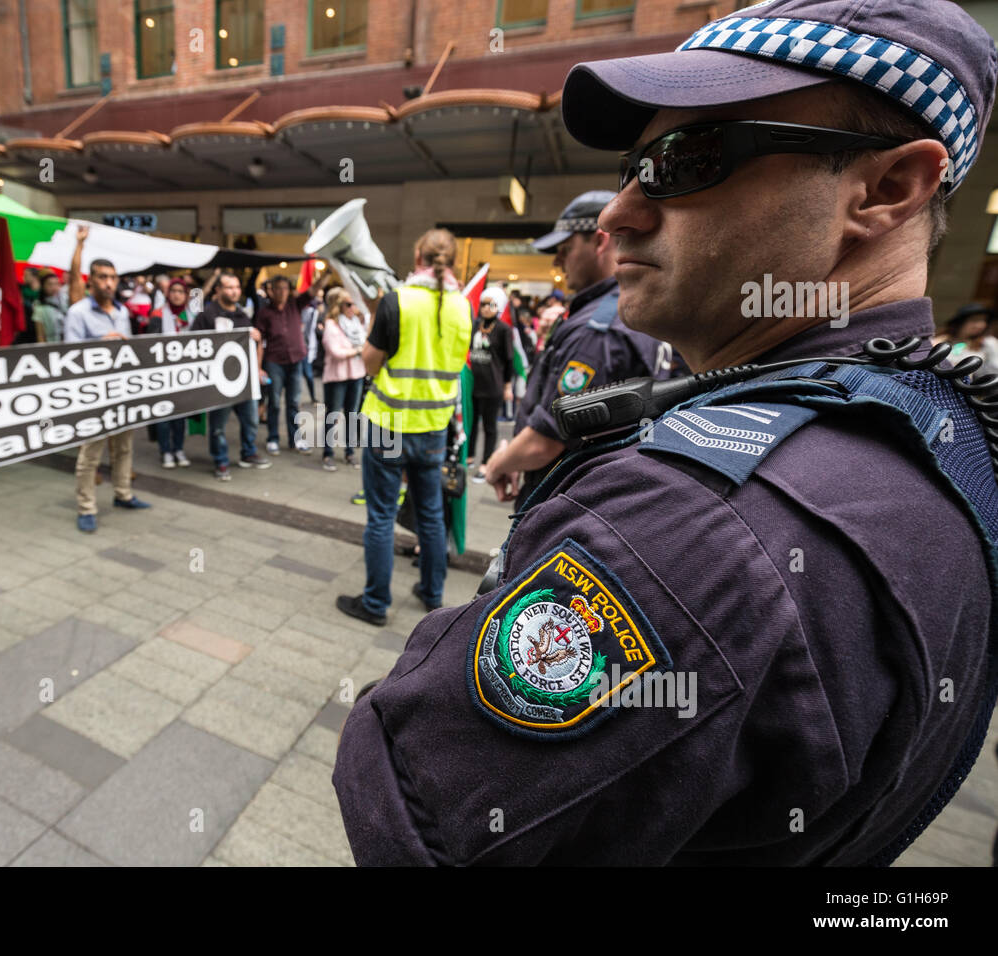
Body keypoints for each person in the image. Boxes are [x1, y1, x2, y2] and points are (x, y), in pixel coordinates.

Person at [333, 0, 998, 866]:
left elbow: (409, 805)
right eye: (633, 166)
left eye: (687, 161)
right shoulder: (938, 424)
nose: (618, 217)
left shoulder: (691, 526)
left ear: (885, 189)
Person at [484, 189, 677, 511]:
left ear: (600, 241)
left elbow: (544, 441)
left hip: (563, 501)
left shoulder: (598, 330)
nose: (557, 260)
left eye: (565, 248)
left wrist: (498, 464)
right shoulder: (638, 311)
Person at [336, 228, 472, 626]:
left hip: (388, 423)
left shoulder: (397, 301)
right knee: (430, 515)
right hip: (433, 425)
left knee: (380, 516)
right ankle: (432, 593)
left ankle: (376, 604)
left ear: (417, 256)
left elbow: (370, 363)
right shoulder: (462, 307)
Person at [64, 236, 150, 532]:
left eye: (113, 278)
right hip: (93, 394)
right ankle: (86, 507)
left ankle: (123, 494)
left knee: (124, 447)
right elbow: (69, 355)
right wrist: (101, 343)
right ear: (92, 281)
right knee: (91, 454)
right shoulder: (78, 312)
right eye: (103, 277)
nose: (109, 283)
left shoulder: (122, 312)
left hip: (121, 389)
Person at [190, 271, 270, 480]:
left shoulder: (242, 314)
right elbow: (192, 344)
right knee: (218, 426)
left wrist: (257, 341)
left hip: (244, 380)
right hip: (219, 383)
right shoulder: (206, 315)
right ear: (218, 290)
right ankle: (221, 461)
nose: (234, 291)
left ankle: (248, 452)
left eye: (237, 287)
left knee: (251, 419)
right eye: (229, 287)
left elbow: (255, 345)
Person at [254, 270, 334, 455]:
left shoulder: (295, 304)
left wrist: (327, 273)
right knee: (273, 402)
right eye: (278, 289)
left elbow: (314, 290)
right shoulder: (264, 313)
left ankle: (295, 439)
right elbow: (259, 342)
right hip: (274, 361)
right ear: (271, 291)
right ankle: (273, 438)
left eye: (285, 288)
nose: (282, 292)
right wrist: (258, 367)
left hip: (296, 360)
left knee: (293, 402)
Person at [147, 277, 202, 467]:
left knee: (180, 415)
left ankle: (178, 449)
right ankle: (166, 451)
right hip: (163, 375)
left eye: (181, 291)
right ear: (167, 294)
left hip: (185, 374)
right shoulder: (158, 315)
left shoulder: (193, 316)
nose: (177, 295)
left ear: (186, 295)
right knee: (164, 414)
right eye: (174, 291)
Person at [467, 286, 514, 481]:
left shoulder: (504, 330)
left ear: (499, 306)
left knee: (489, 427)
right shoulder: (475, 324)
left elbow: (509, 360)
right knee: (470, 423)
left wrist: (507, 386)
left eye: (491, 304)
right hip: (472, 383)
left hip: (492, 385)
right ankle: (468, 457)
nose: (486, 308)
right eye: (483, 304)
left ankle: (486, 463)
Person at [319, 287, 367, 472]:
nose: (352, 307)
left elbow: (366, 341)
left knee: (352, 415)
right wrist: (356, 351)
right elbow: (335, 352)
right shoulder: (331, 325)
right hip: (337, 377)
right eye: (348, 304)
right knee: (333, 415)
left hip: (356, 375)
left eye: (353, 303)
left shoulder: (356, 323)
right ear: (338, 305)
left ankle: (349, 451)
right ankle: (328, 453)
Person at [936, 304, 998, 377]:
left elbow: (994, 370)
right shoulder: (944, 339)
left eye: (984, 320)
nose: (981, 325)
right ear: (961, 322)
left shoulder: (988, 342)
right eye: (975, 320)